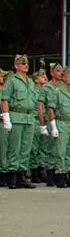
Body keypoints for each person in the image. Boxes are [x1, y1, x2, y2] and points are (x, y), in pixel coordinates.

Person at [3, 54, 40, 190]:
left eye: (27, 63)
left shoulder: (30, 82)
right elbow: (5, 99)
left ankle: (22, 175)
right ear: (16, 66)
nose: (26, 65)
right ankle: (12, 174)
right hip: (16, 115)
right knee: (15, 147)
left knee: (26, 148)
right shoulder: (12, 81)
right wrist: (6, 117)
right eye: (23, 64)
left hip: (29, 117)